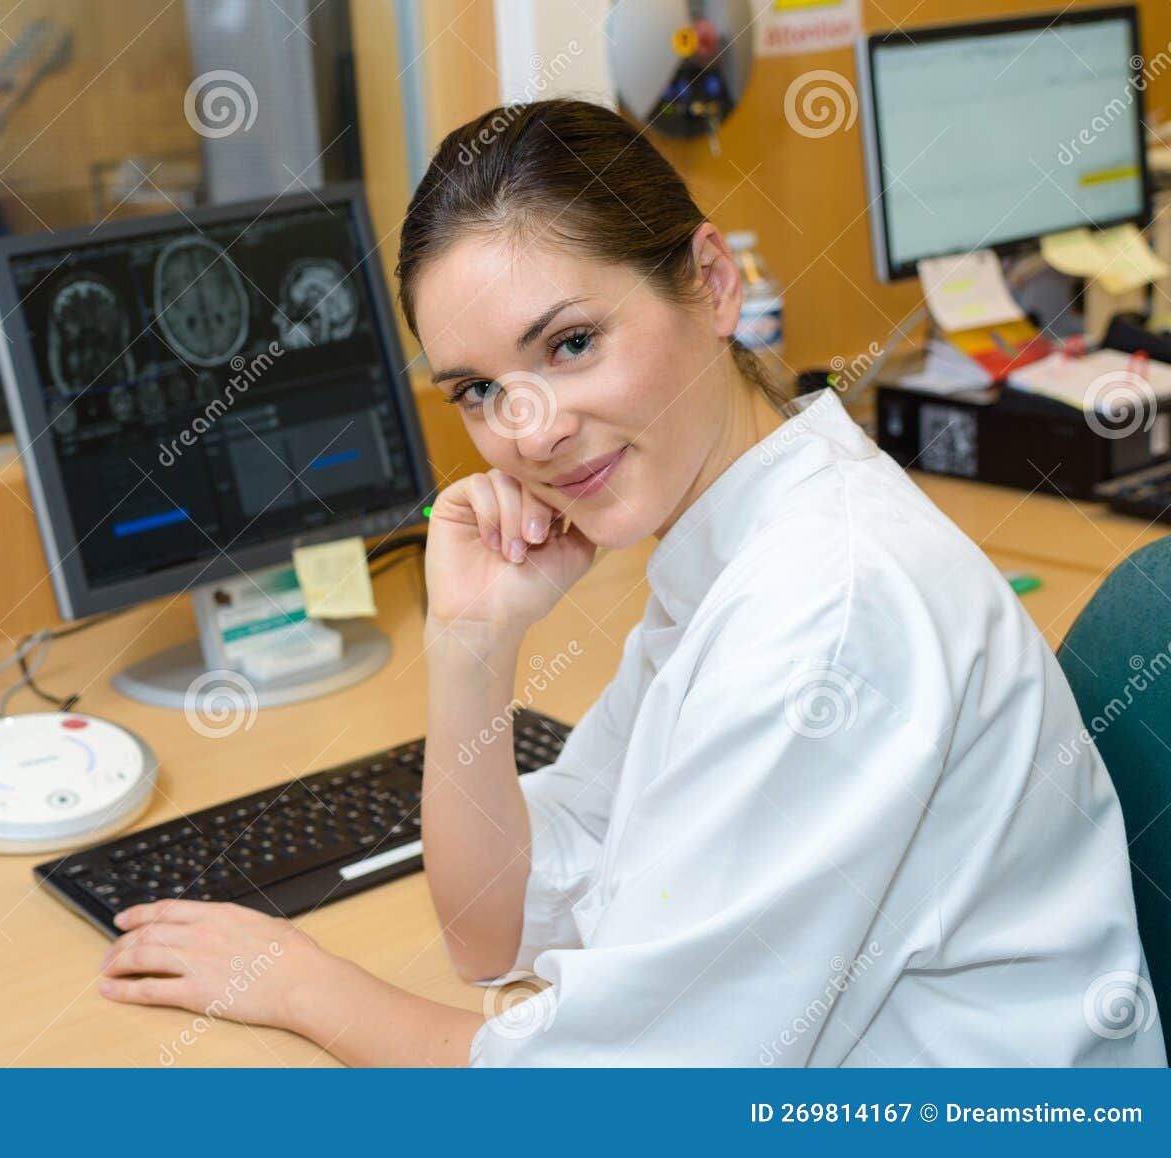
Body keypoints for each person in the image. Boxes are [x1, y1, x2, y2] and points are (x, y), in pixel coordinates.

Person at [93, 99, 1165, 1067]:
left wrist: (307, 989)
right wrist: (469, 647)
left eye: (570, 342)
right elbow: (494, 929)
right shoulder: (730, 545)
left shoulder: (821, 614)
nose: (531, 430)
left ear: (709, 283)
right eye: (478, 389)